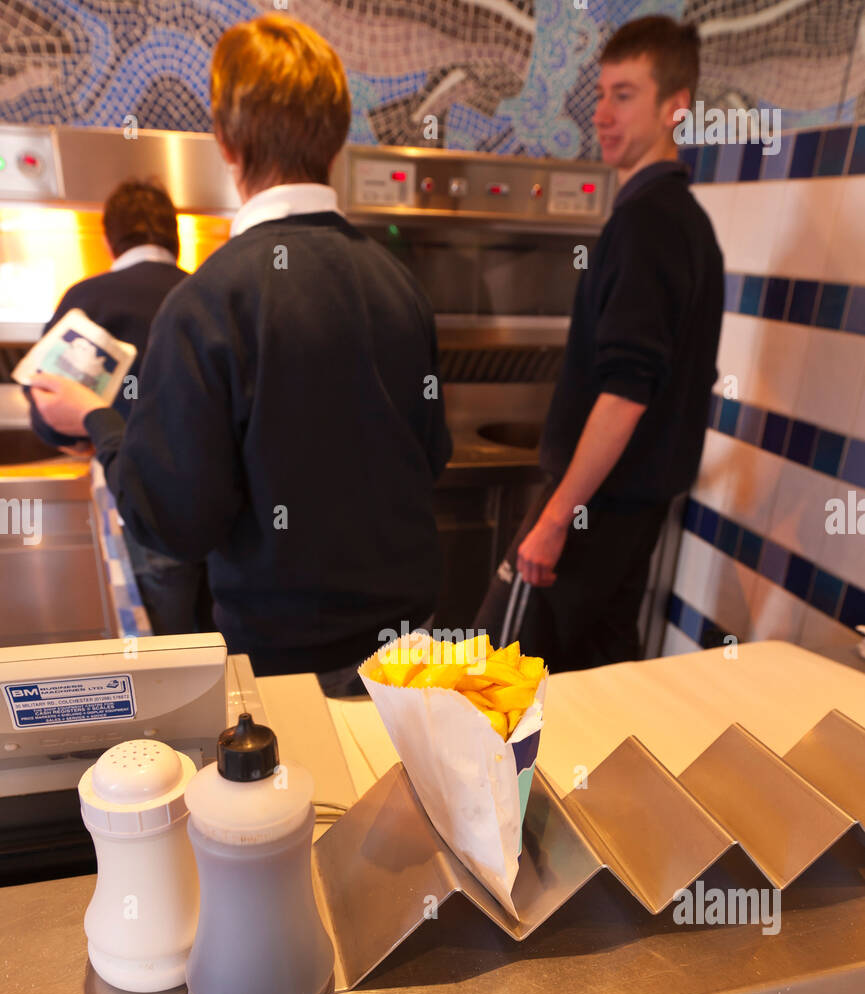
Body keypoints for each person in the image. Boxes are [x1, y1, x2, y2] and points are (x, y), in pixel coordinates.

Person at [32, 15, 450, 692]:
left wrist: (100, 422)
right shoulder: (400, 286)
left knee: (308, 802)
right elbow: (429, 456)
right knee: (399, 798)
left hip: (285, 667)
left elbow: (173, 520)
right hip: (411, 654)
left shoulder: (208, 304)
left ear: (225, 139)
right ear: (337, 138)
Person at [478, 15, 724, 671]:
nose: (602, 113)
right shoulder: (687, 223)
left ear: (675, 108)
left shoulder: (645, 225)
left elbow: (625, 391)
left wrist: (554, 520)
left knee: (508, 676)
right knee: (601, 672)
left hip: (595, 508)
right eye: (600, 93)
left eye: (623, 94)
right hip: (627, 510)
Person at [27, 179, 212, 635]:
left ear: (109, 238)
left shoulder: (87, 300)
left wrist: (82, 433)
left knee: (169, 652)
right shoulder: (208, 292)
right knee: (221, 648)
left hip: (140, 502)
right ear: (176, 235)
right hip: (221, 508)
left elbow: (48, 415)